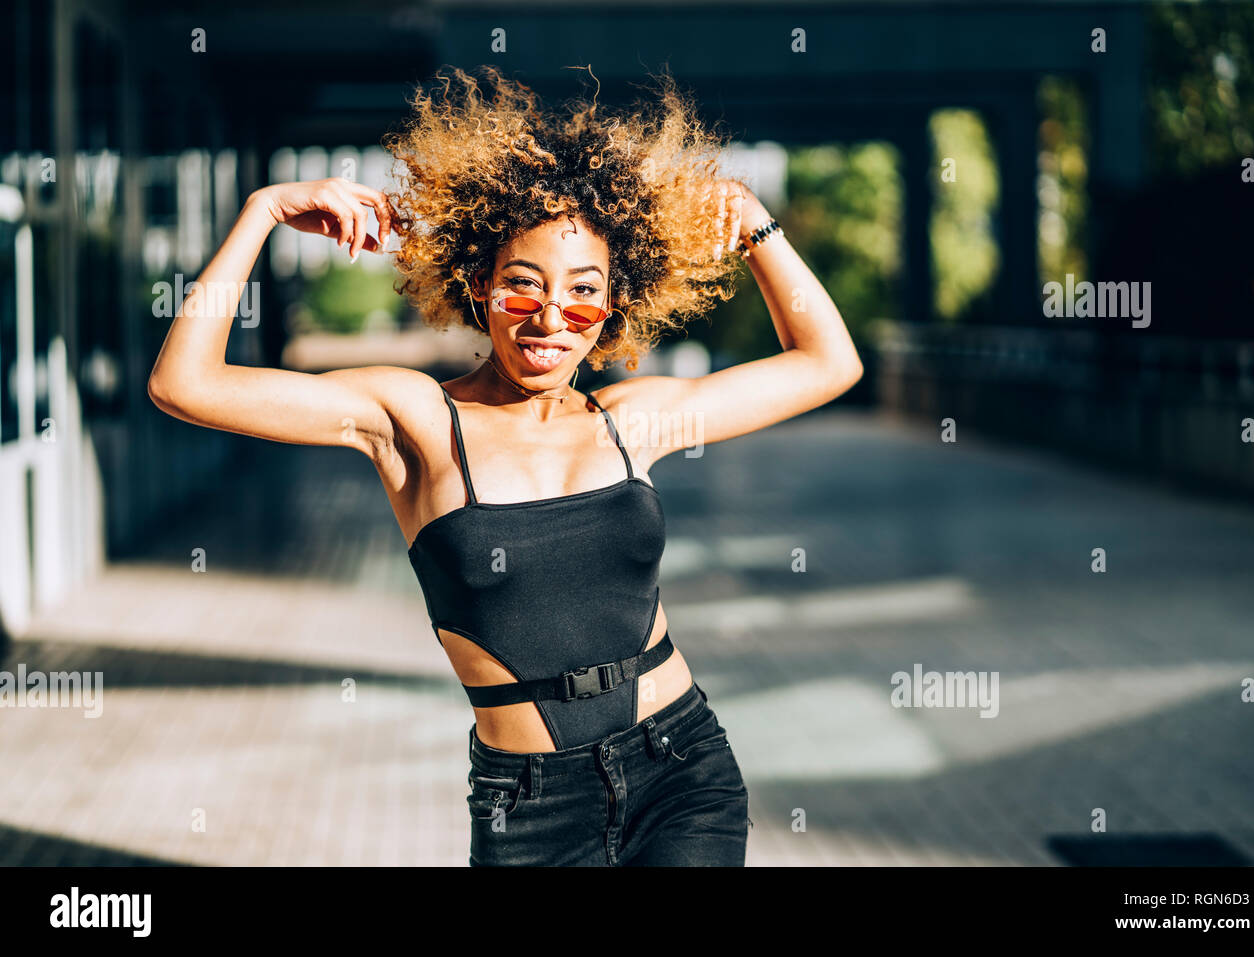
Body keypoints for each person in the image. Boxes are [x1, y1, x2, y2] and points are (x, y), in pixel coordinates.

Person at [148, 65, 862, 866]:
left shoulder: (634, 420)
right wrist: (261, 212)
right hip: (528, 804)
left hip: (680, 768)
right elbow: (184, 385)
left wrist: (758, 230)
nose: (552, 318)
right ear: (480, 284)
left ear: (614, 306)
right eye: (522, 287)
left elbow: (828, 363)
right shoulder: (415, 421)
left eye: (584, 293)